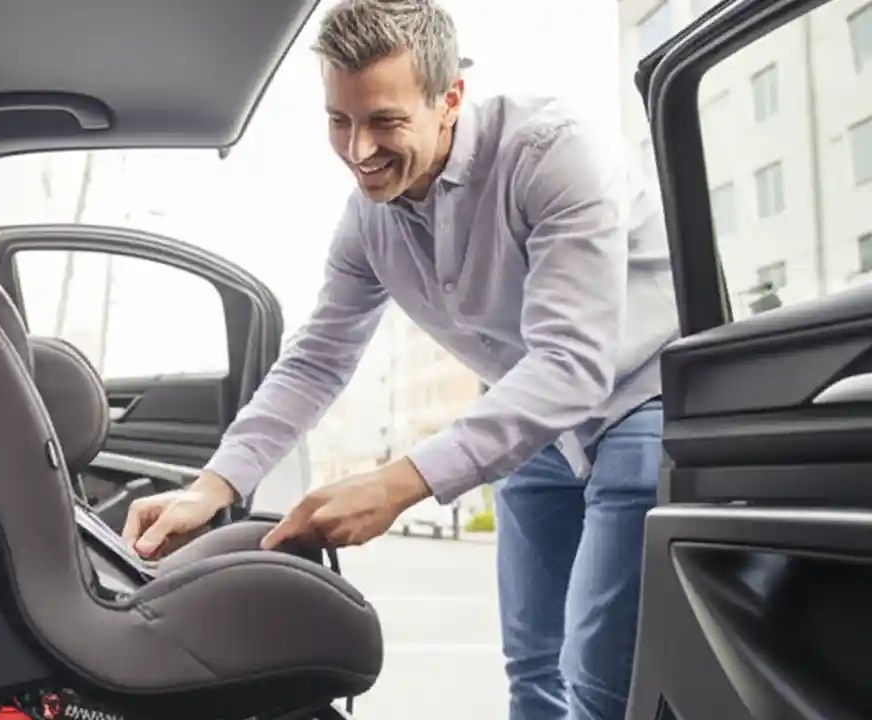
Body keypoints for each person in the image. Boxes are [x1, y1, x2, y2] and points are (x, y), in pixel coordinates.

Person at [121, 1, 678, 718]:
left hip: (640, 403)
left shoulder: (553, 154)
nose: (358, 151)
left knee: (599, 673)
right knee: (532, 661)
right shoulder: (366, 224)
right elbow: (315, 362)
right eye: (338, 120)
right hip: (530, 426)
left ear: (449, 99)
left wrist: (400, 482)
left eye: (384, 121)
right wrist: (212, 486)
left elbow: (573, 363)